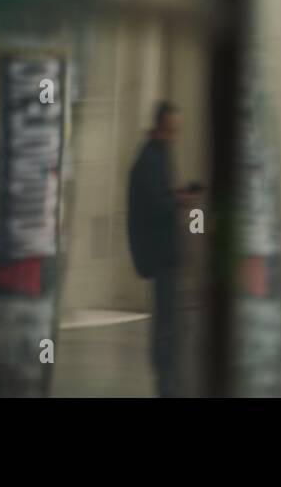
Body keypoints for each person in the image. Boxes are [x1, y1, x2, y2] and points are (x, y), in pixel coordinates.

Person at [127, 101, 183, 397]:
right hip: (160, 253)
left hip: (163, 251)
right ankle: (164, 372)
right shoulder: (150, 158)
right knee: (164, 316)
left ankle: (166, 369)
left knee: (167, 315)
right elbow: (156, 206)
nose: (175, 134)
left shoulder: (158, 154)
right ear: (162, 126)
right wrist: (179, 200)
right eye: (172, 128)